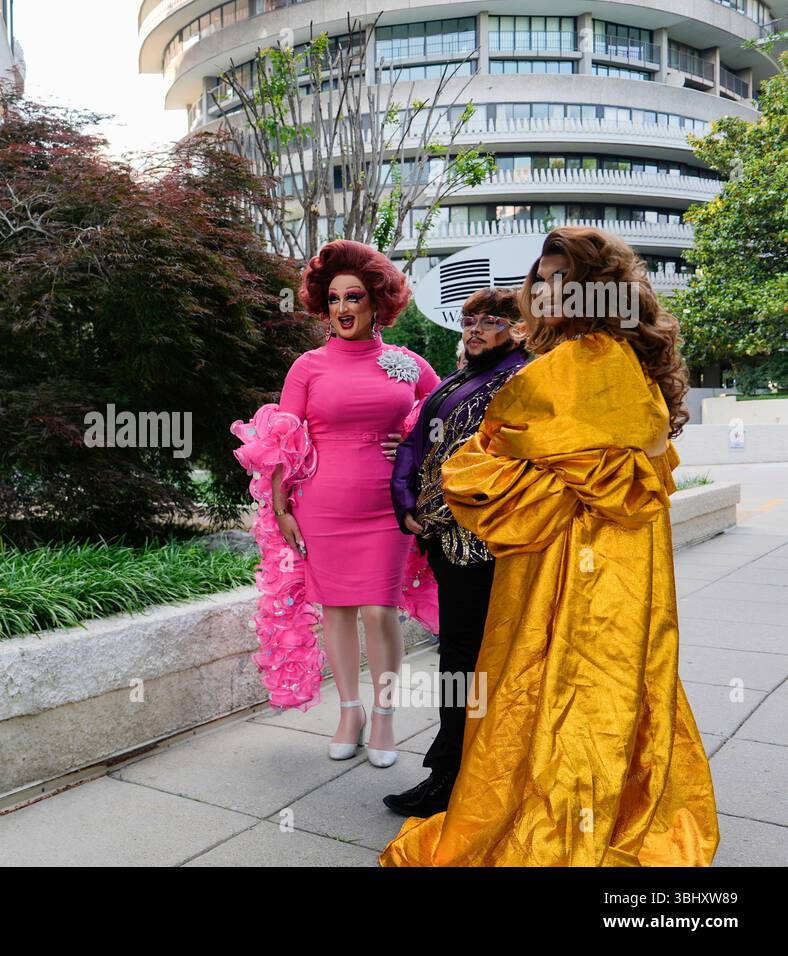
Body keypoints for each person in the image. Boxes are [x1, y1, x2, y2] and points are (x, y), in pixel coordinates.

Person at [380, 226, 719, 865]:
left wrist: (466, 473)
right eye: (543, 278)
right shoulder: (617, 359)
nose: (549, 289)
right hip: (620, 562)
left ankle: (558, 812)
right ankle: (610, 802)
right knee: (608, 684)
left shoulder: (574, 365)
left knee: (552, 682)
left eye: (567, 279)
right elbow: (639, 463)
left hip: (569, 557)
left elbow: (480, 468)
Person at [231, 240, 440, 765]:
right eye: (334, 300)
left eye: (354, 297)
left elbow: (447, 422)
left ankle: (386, 716)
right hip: (321, 507)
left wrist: (412, 443)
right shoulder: (307, 366)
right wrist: (281, 510)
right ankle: (351, 711)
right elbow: (283, 439)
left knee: (379, 609)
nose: (343, 309)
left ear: (377, 302)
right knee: (337, 612)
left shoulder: (408, 364)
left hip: (387, 508)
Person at [383, 287, 528, 818]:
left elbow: (501, 465)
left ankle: (456, 778)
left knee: (473, 662)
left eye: (490, 320)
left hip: (485, 545)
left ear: (520, 328)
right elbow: (416, 446)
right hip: (445, 541)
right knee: (460, 660)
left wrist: (437, 512)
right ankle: (452, 772)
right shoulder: (458, 380)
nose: (474, 328)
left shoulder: (521, 379)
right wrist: (406, 505)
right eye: (469, 319)